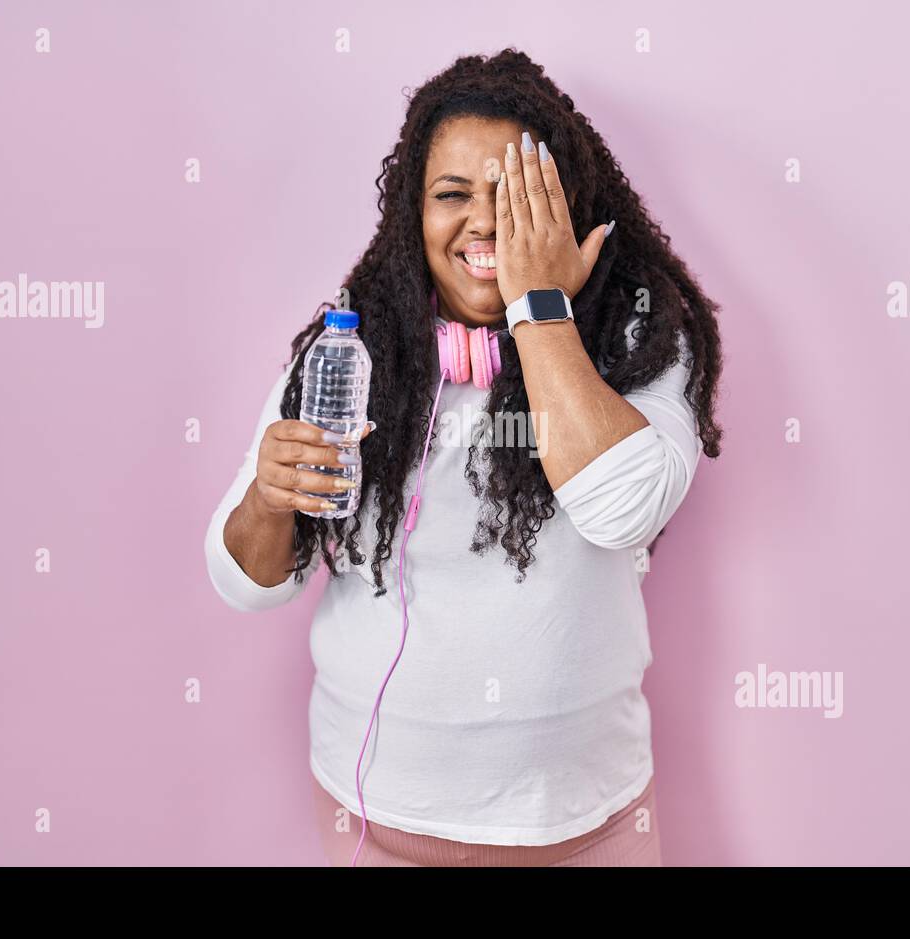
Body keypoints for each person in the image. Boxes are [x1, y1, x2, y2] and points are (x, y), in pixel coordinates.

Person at [204, 48, 724, 866]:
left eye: (518, 199)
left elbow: (623, 506)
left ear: (568, 208)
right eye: (452, 195)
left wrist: (539, 308)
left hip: (587, 825)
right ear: (413, 214)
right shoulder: (352, 353)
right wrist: (269, 499)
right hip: (373, 822)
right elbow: (247, 584)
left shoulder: (639, 340)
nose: (485, 224)